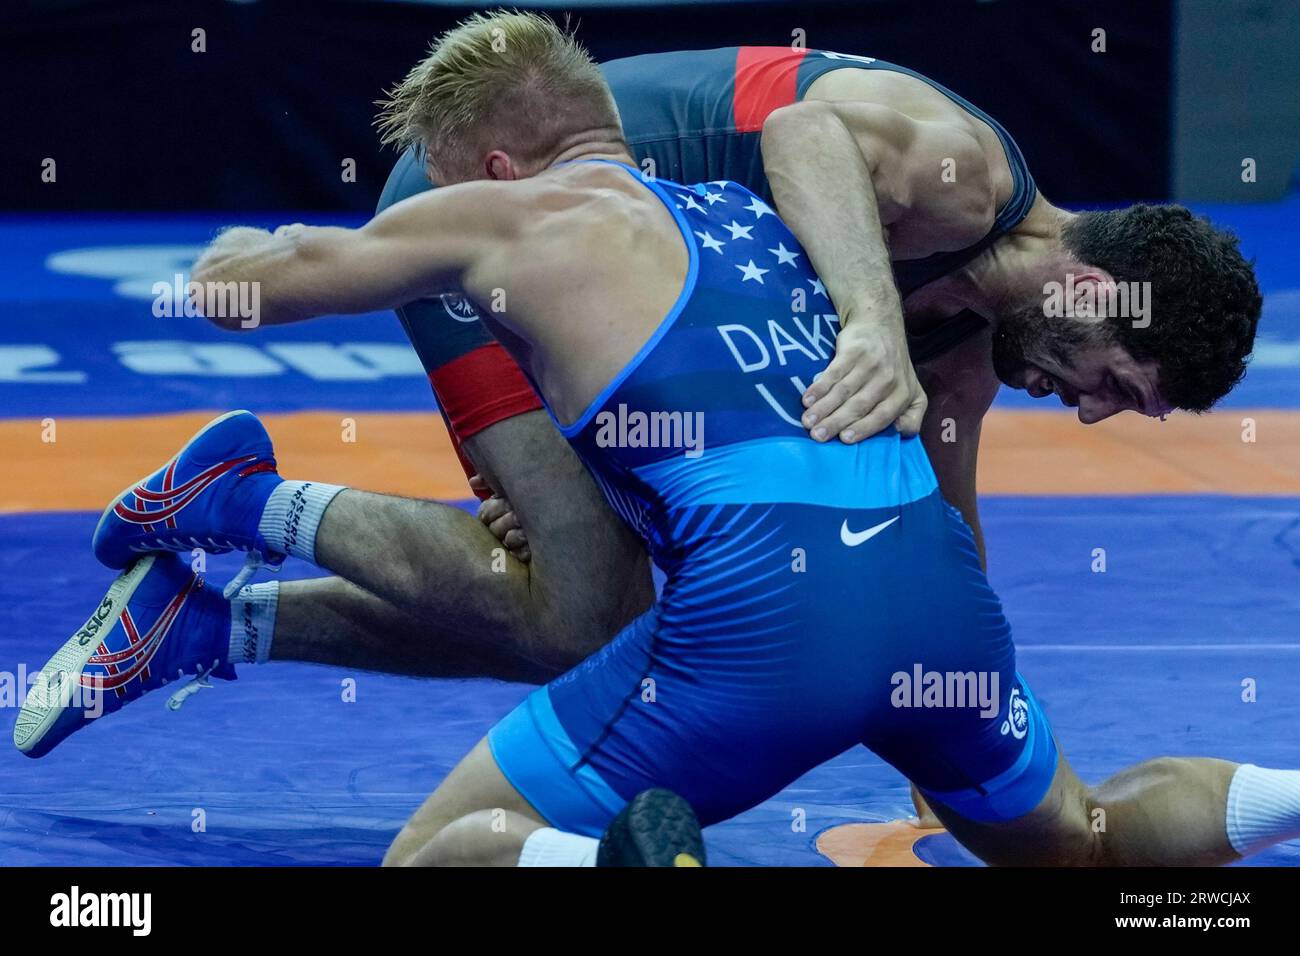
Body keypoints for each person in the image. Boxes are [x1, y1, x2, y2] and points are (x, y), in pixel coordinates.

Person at [23, 12, 1294, 869]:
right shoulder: (933, 186)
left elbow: (950, 522)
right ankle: (240, 518)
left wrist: (216, 278)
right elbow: (802, 139)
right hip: (562, 236)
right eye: (1115, 385)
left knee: (568, 643)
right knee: (580, 601)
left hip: (696, 420)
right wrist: (965, 717)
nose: (1086, 416)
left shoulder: (947, 336)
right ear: (1089, 291)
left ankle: (235, 580)